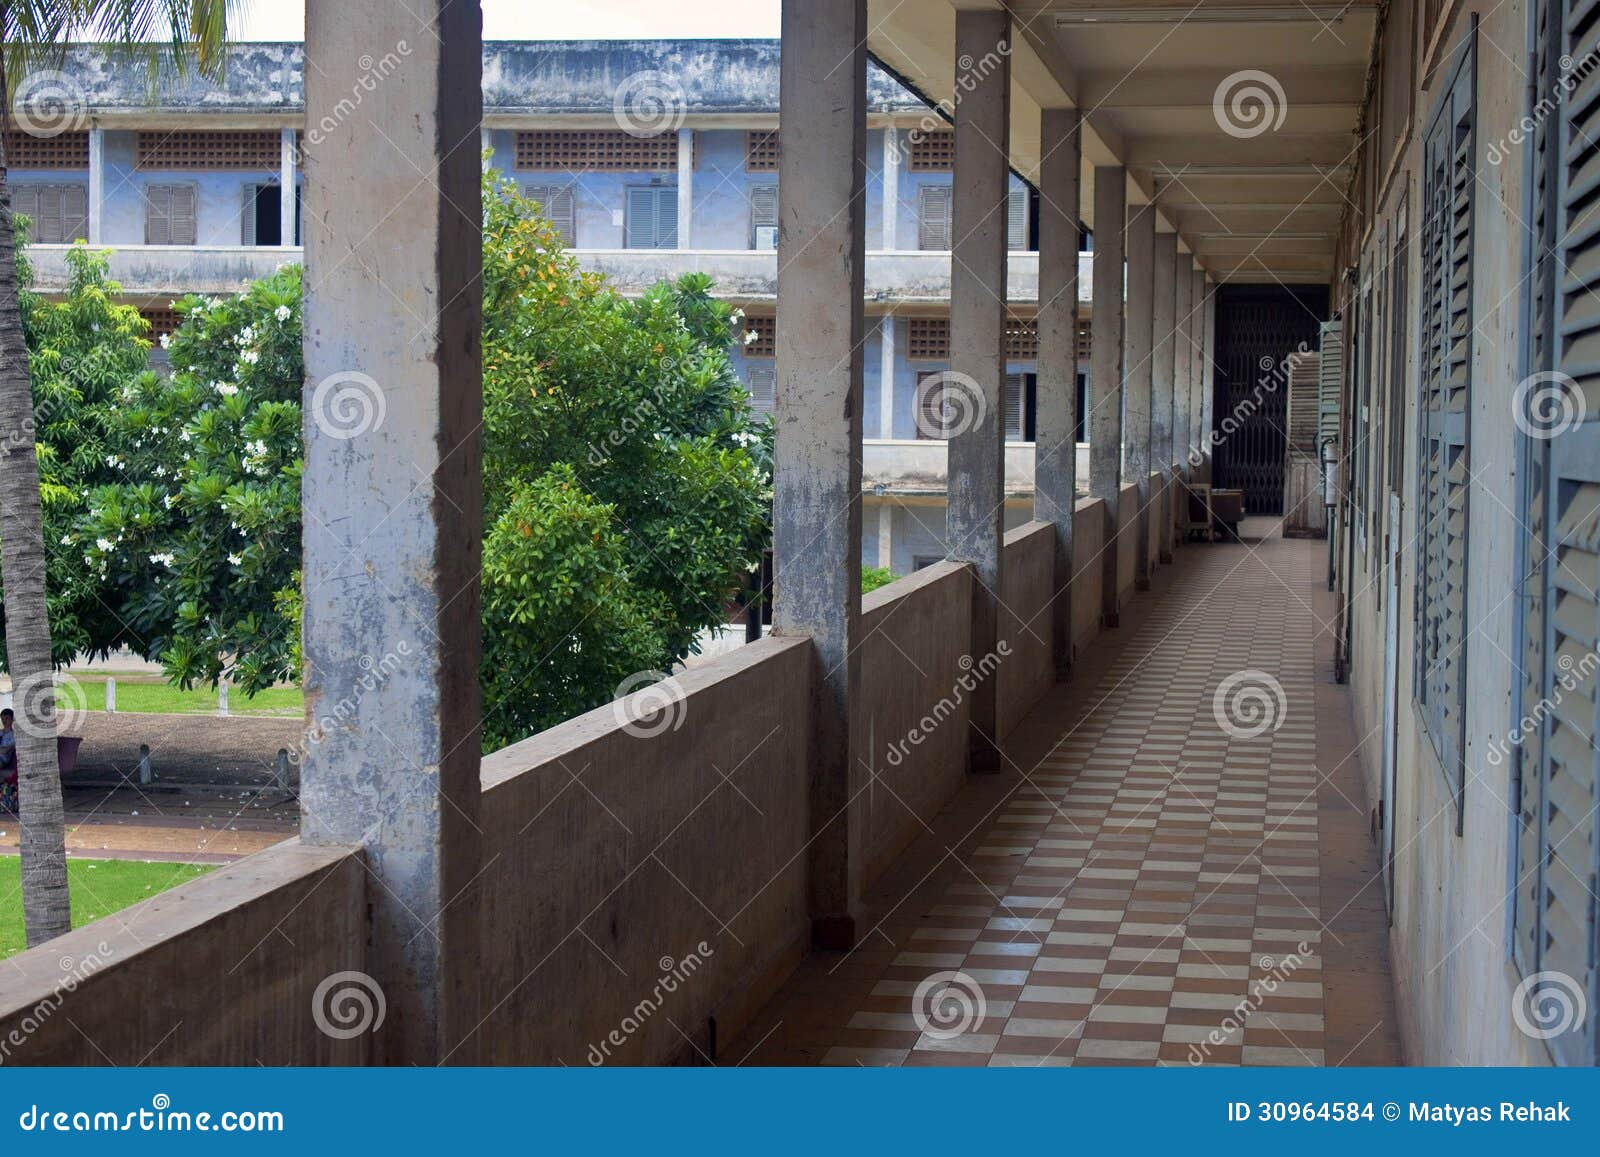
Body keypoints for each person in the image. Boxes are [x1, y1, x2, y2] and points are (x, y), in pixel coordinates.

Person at [0, 708, 15, 814]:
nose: (4, 721)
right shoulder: (0, 732)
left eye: (7, 718)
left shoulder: (13, 735)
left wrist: (3, 749)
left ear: (12, 719)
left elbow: (6, 750)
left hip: (3, 759)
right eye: (2, 719)